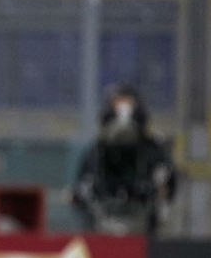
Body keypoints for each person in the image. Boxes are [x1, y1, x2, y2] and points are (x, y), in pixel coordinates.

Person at [73, 85, 177, 235]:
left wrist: (156, 192)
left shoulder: (152, 149)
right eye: (118, 104)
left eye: (128, 104)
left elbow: (167, 181)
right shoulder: (97, 150)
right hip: (105, 216)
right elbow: (83, 184)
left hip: (142, 217)